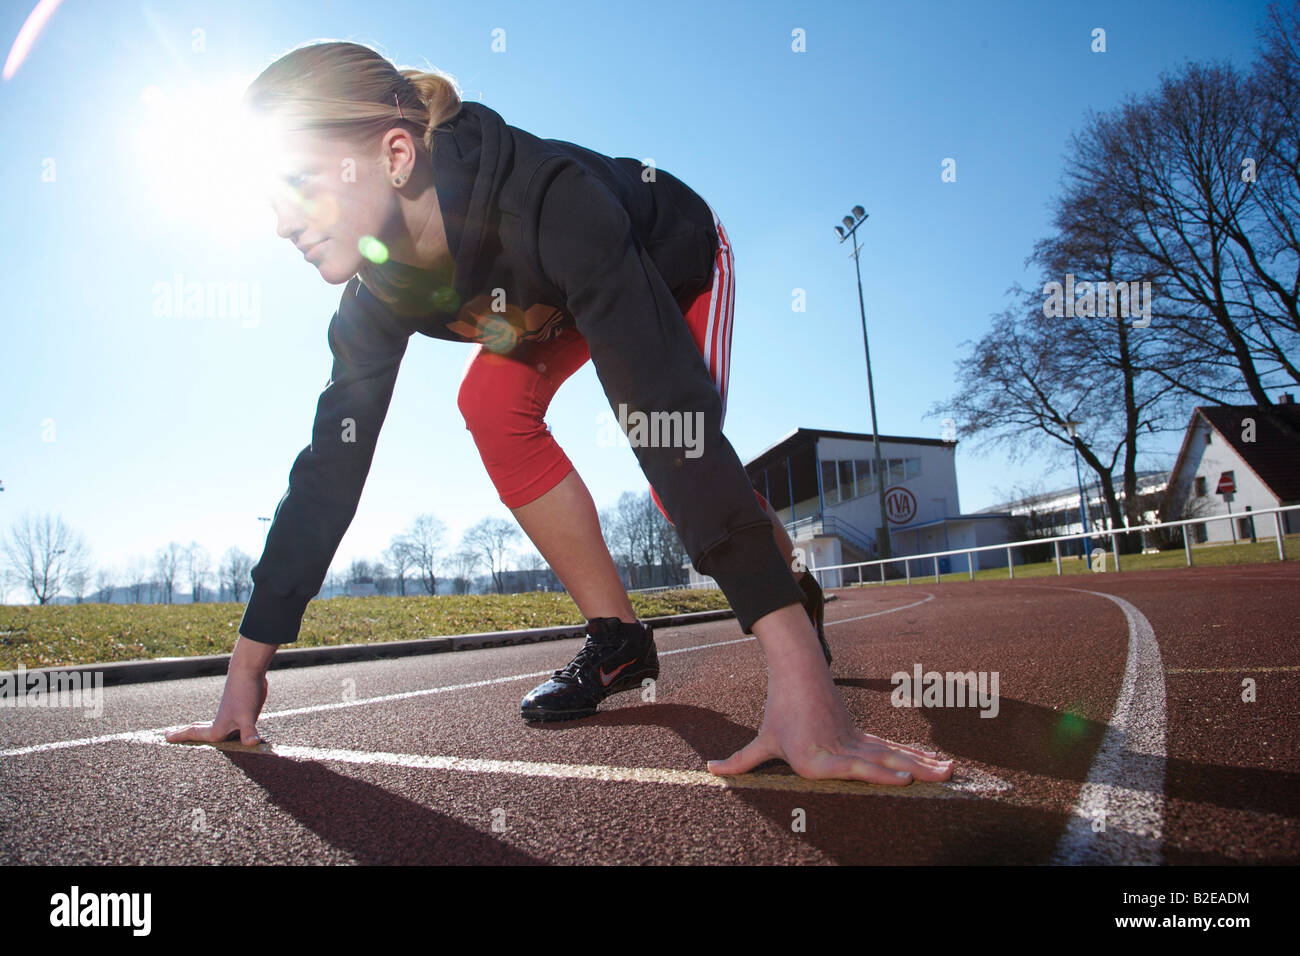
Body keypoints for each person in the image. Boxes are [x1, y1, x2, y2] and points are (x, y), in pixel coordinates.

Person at [166, 40, 953, 786]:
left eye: (298, 184)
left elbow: (664, 417)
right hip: (544, 303)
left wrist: (802, 684)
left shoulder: (549, 199)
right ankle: (619, 641)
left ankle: (788, 592)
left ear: (395, 155)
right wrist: (244, 672)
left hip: (669, 259)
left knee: (665, 470)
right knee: (488, 401)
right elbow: (329, 470)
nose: (279, 223)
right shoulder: (371, 297)